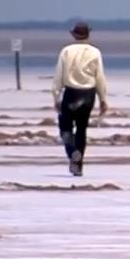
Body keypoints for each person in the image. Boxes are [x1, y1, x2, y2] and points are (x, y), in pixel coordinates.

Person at [52, 21, 109, 177]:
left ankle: (72, 154)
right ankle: (78, 162)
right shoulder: (95, 52)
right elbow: (100, 77)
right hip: (88, 95)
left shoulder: (66, 51)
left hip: (71, 94)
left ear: (74, 35)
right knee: (82, 129)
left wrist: (56, 96)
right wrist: (103, 99)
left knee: (65, 129)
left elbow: (58, 77)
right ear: (88, 34)